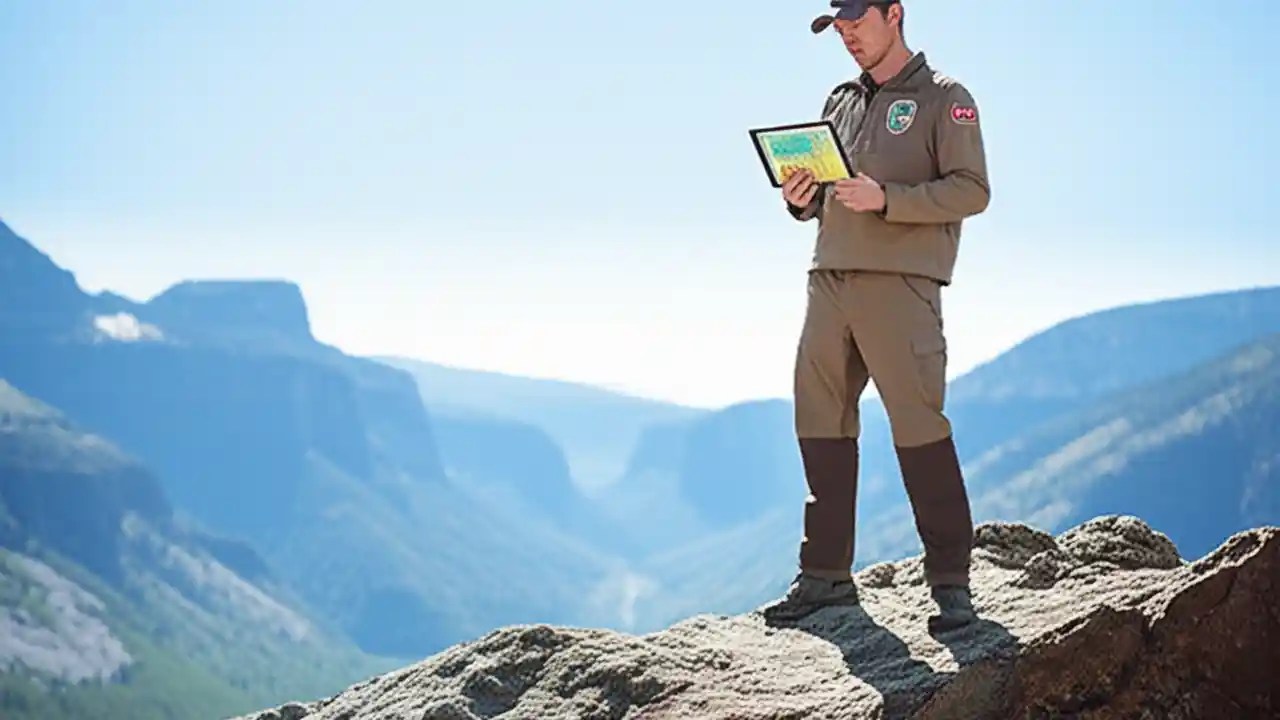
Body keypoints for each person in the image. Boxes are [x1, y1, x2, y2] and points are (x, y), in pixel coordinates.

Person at [758, 0, 991, 633]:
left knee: (917, 423)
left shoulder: (946, 98)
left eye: (858, 24)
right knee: (820, 418)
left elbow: (973, 189)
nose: (848, 37)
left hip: (900, 287)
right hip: (828, 278)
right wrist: (800, 200)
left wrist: (889, 199)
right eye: (839, 28)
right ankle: (826, 576)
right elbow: (827, 197)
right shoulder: (840, 100)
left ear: (896, 13)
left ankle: (950, 583)